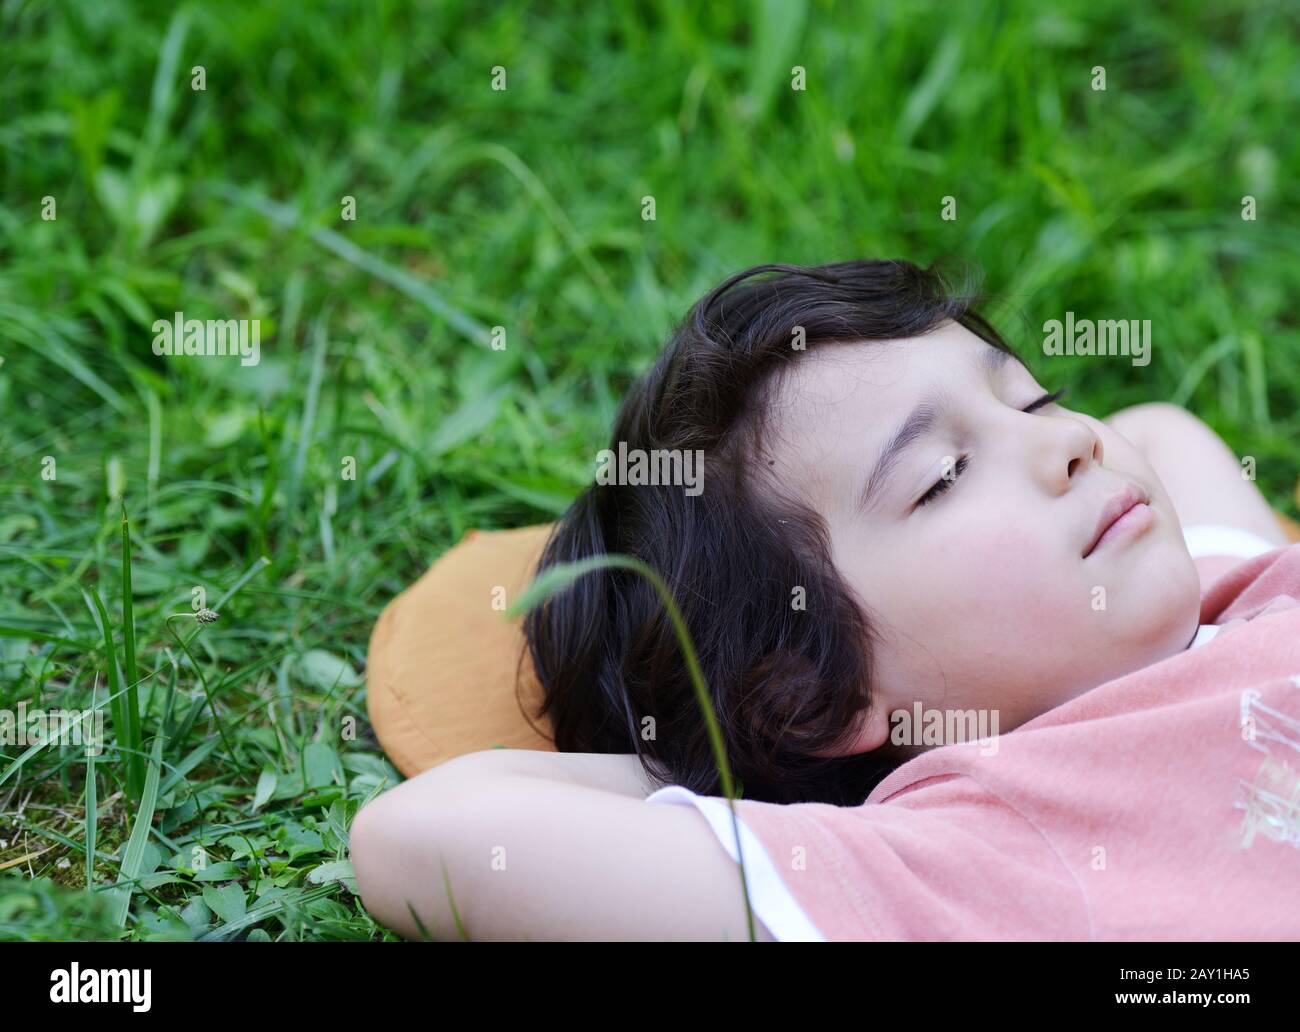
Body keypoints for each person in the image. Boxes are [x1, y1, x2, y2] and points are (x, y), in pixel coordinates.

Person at [350, 260, 1300, 941]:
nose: (1072, 443)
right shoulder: (953, 857)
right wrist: (733, 761)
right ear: (812, 697)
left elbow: (1160, 432)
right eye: (943, 477)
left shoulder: (1243, 592)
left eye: (1035, 400)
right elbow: (420, 840)